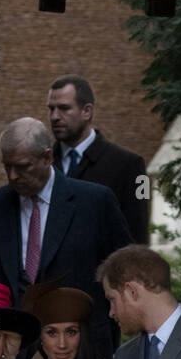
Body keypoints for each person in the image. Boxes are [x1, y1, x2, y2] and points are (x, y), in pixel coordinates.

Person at [0, 118, 131, 359]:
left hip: (82, 357)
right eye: (7, 166)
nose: (13, 176)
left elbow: (123, 274)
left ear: (47, 157)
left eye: (22, 166)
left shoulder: (95, 203)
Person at [47, 75, 148, 244]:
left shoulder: (130, 165)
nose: (54, 116)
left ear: (87, 111)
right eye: (51, 109)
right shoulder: (42, 163)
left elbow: (137, 233)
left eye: (64, 108)